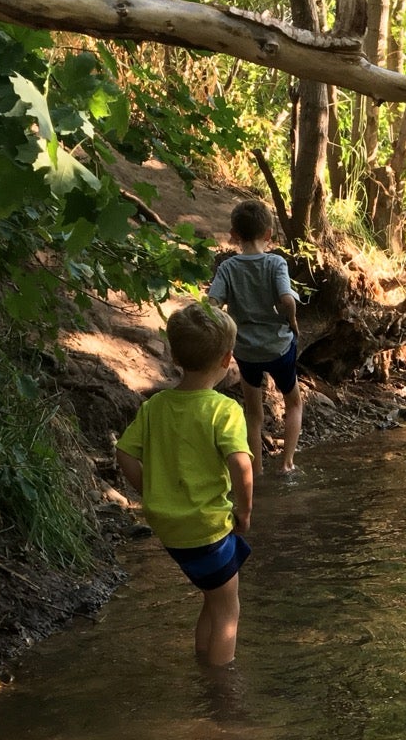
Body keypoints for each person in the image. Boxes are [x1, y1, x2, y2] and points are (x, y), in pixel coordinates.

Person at [116, 302, 253, 667]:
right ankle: (220, 689)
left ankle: (202, 663)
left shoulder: (156, 406)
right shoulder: (223, 410)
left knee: (211, 598)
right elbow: (241, 464)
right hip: (207, 528)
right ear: (227, 360)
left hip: (170, 528)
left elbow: (125, 453)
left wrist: (151, 490)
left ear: (175, 355)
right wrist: (244, 511)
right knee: (228, 609)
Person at [208, 198, 304, 477]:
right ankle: (287, 464)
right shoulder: (276, 263)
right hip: (279, 347)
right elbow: (287, 299)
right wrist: (293, 321)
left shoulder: (227, 267)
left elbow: (213, 303)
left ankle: (257, 469)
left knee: (253, 412)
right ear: (268, 235)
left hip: (246, 349)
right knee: (294, 401)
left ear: (234, 235)